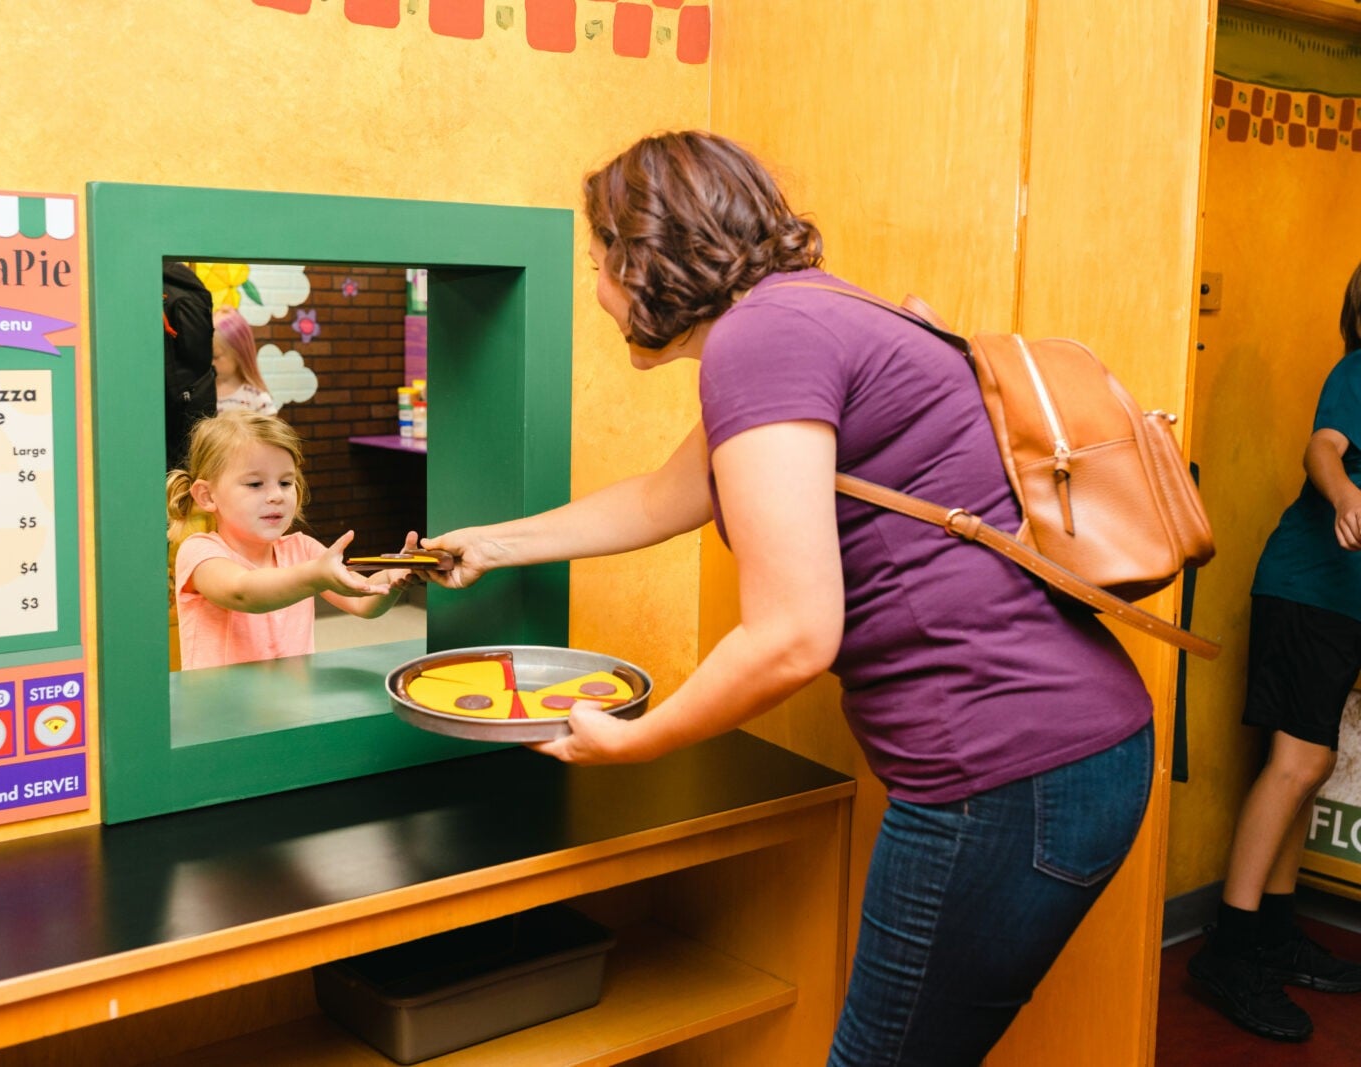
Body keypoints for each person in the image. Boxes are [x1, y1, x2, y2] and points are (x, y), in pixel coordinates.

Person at [420, 130, 1156, 1066]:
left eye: (599, 263)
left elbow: (794, 636)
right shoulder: (805, 315)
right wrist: (491, 544)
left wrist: (638, 739)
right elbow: (666, 496)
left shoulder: (761, 342)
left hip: (1008, 774)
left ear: (646, 260)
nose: (598, 291)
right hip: (1063, 751)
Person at [1186, 260, 1361, 1042]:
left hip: (1341, 601)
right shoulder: (1357, 371)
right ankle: (1229, 944)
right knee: (1293, 761)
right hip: (1305, 589)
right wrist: (1346, 492)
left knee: (1313, 763)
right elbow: (1321, 450)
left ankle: (1274, 927)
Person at [166, 410, 415, 670]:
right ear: (207, 496)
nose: (276, 496)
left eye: (285, 483)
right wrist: (314, 575)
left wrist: (392, 577)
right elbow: (242, 592)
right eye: (254, 484)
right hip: (219, 708)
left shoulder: (303, 549)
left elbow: (363, 602)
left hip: (292, 703)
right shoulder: (200, 552)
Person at [212, 306, 277, 414]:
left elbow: (269, 430)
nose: (210, 362)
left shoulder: (257, 398)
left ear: (238, 354)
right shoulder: (201, 393)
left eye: (215, 356)